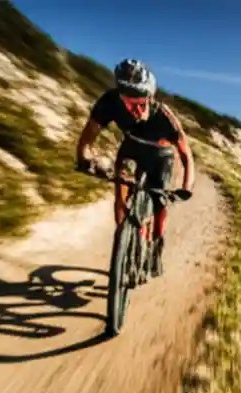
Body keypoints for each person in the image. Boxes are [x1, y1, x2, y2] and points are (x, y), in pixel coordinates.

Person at [75, 59, 194, 277]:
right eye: (130, 104)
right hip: (132, 149)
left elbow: (186, 154)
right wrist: (85, 159)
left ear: (150, 97)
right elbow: (87, 137)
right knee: (119, 192)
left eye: (141, 104)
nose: (136, 111)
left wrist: (186, 186)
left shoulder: (164, 116)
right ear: (121, 98)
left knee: (160, 205)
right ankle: (122, 237)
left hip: (162, 157)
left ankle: (156, 245)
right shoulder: (109, 102)